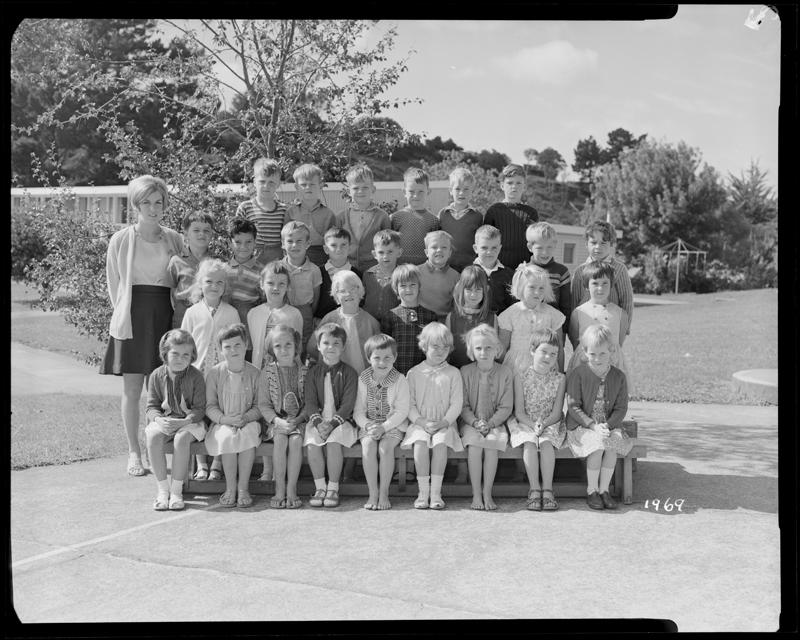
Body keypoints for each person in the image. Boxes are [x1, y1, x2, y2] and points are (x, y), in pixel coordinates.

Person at [101, 174, 184, 477]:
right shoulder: (121, 239)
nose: (153, 208)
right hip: (133, 317)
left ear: (165, 205)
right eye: (146, 203)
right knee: (133, 388)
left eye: (158, 202)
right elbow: (114, 285)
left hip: (165, 314)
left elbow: (182, 280)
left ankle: (157, 450)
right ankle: (134, 453)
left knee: (162, 388)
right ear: (136, 205)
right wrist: (124, 314)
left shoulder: (174, 238)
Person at [180, 258, 240, 481]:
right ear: (200, 284)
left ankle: (217, 463)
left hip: (223, 375)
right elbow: (184, 343)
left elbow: (237, 342)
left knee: (219, 417)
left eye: (219, 282)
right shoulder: (192, 312)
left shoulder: (231, 312)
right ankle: (201, 464)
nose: (214, 286)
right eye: (209, 281)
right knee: (198, 418)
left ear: (225, 286)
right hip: (197, 374)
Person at [565, 324, 632, 510]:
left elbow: (621, 408)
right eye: (592, 354)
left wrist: (608, 426)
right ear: (585, 352)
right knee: (597, 446)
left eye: (602, 354)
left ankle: (604, 490)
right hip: (582, 427)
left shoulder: (619, 377)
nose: (597, 358)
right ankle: (591, 490)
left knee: (610, 446)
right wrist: (593, 425)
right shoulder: (578, 374)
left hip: (609, 426)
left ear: (611, 351)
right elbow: (573, 406)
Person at [401, 322, 464, 510]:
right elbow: (408, 404)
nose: (440, 351)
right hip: (419, 423)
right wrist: (421, 421)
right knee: (420, 442)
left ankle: (436, 492)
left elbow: (456, 403)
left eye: (445, 347)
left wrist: (444, 422)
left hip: (445, 423)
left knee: (440, 443)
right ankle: (423, 492)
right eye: (435, 346)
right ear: (424, 346)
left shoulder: (453, 373)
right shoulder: (413, 373)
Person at [144, 329, 206, 510]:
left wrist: (185, 421)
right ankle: (163, 491)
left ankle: (177, 491)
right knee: (153, 437)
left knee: (181, 438)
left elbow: (200, 408)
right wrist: (158, 419)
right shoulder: (156, 375)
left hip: (191, 422)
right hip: (166, 420)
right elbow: (151, 406)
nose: (180, 358)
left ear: (192, 355)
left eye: (186, 355)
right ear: (165, 353)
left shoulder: (196, 376)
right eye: (175, 354)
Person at [204, 324, 262, 508]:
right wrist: (224, 420)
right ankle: (230, 487)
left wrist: (245, 419)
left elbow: (260, 406)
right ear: (220, 350)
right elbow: (210, 406)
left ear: (246, 345)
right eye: (227, 347)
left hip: (248, 421)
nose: (233, 350)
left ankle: (243, 488)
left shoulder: (255, 373)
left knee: (247, 437)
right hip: (223, 421)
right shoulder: (215, 373)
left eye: (237, 345)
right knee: (226, 437)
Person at [508, 328, 566, 512]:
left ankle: (547, 490)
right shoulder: (521, 377)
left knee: (547, 443)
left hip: (551, 422)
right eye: (544, 352)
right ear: (533, 350)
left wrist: (545, 424)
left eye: (553, 354)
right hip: (526, 422)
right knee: (530, 443)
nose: (548, 357)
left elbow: (557, 412)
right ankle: (534, 490)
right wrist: (534, 425)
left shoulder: (560, 378)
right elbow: (519, 411)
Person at [458, 324, 513, 511]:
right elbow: (463, 405)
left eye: (488, 347)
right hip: (470, 423)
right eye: (478, 348)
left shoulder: (505, 372)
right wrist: (474, 422)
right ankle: (476, 493)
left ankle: (487, 492)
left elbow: (506, 406)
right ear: (471, 351)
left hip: (495, 423)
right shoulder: (465, 372)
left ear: (496, 349)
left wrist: (490, 423)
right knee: (474, 445)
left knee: (491, 446)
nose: (483, 352)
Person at [304, 323, 359, 508]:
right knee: (312, 443)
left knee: (334, 442)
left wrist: (332, 424)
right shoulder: (312, 373)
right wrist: (319, 423)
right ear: (318, 346)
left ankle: (333, 488)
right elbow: (310, 403)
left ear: (343, 347)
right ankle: (320, 487)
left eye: (336, 343)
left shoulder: (350, 373)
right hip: (318, 421)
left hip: (343, 422)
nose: (331, 347)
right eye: (326, 343)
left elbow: (348, 404)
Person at [353, 334, 410, 510]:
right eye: (376, 358)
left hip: (392, 425)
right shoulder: (363, 379)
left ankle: (384, 492)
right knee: (368, 446)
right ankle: (373, 493)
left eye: (387, 357)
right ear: (369, 358)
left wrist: (384, 427)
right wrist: (369, 425)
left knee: (385, 448)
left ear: (395, 357)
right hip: (369, 424)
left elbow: (402, 411)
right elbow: (358, 411)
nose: (382, 362)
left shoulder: (400, 379)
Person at [257, 324, 309, 509]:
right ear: (272, 349)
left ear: (296, 346)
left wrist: (298, 420)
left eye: (288, 345)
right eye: (278, 346)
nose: (284, 349)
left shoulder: (305, 372)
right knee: (280, 439)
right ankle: (279, 489)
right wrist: (277, 421)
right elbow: (263, 404)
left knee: (295, 442)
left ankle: (291, 489)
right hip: (276, 422)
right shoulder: (267, 372)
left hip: (299, 421)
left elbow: (310, 404)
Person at [567, 260, 633, 392]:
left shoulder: (620, 314)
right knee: (584, 395)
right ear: (586, 286)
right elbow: (575, 340)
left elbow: (618, 342)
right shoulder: (579, 312)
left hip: (611, 363)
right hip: (585, 362)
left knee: (608, 396)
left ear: (611, 284)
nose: (600, 288)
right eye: (595, 283)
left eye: (605, 283)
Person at [569, 220, 634, 338]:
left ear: (612, 244)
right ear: (586, 244)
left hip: (610, 326)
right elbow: (574, 301)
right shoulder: (580, 271)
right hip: (585, 326)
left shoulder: (619, 269)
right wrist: (573, 331)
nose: (598, 247)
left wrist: (625, 328)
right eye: (593, 242)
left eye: (603, 243)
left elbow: (627, 300)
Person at [498, 265, 566, 375]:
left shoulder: (553, 315)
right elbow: (502, 347)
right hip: (516, 368)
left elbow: (559, 347)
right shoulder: (510, 314)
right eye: (532, 287)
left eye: (541, 288)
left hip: (545, 367)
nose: (537, 292)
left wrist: (561, 373)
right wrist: (501, 373)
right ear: (521, 287)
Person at [308, 270, 380, 372]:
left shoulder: (371, 322)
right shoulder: (329, 319)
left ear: (360, 291)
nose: (348, 294)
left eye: (353, 289)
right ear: (336, 295)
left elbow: (378, 351)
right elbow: (312, 347)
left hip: (363, 378)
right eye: (342, 291)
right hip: (335, 377)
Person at [380, 264, 438, 375]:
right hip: (397, 374)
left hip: (423, 374)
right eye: (403, 285)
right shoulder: (390, 316)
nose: (408, 289)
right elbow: (384, 349)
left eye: (412, 285)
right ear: (396, 288)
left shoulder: (430, 317)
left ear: (419, 286)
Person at [523, 222, 571, 352]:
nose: (545, 252)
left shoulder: (562, 272)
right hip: (527, 327)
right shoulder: (524, 270)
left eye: (549, 247)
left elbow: (566, 305)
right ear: (530, 247)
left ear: (555, 245)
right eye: (540, 248)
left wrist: (564, 330)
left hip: (552, 327)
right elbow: (517, 301)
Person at [247, 261, 303, 371]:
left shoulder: (294, 314)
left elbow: (298, 347)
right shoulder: (253, 313)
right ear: (262, 284)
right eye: (270, 283)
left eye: (281, 284)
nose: (276, 288)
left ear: (288, 286)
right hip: (259, 371)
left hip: (286, 372)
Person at [335, 163, 390, 272]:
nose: (360, 191)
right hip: (346, 267)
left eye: (365, 187)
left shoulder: (382, 216)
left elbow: (388, 245)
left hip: (374, 269)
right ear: (349, 191)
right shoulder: (341, 217)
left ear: (373, 189)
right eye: (356, 188)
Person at [279, 220, 322, 357]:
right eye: (290, 241)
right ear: (283, 244)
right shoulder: (278, 268)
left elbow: (316, 297)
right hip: (283, 310)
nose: (294, 245)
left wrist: (309, 312)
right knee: (283, 341)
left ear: (308, 244)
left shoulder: (314, 270)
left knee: (303, 343)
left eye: (299, 241)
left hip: (305, 312)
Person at [224, 218, 264, 362]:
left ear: (254, 242)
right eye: (238, 242)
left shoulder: (262, 271)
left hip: (249, 324)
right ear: (230, 243)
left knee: (247, 360)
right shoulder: (223, 269)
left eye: (248, 242)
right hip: (227, 323)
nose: (243, 246)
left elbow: (264, 301)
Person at [484, 164, 539, 269]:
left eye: (518, 183)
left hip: (523, 270)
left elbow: (535, 243)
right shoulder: (493, 211)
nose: (514, 186)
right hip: (497, 269)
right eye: (510, 183)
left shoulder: (531, 213)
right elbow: (485, 242)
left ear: (524, 186)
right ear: (502, 185)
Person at [283, 163, 337, 268]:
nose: (308, 187)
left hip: (321, 261)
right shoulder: (290, 213)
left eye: (312, 184)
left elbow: (333, 243)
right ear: (296, 187)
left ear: (320, 186)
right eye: (303, 185)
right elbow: (285, 241)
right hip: (295, 261)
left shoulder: (328, 214)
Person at [234, 157, 286, 265]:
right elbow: (237, 236)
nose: (266, 186)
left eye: (271, 182)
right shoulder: (245, 208)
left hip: (276, 259)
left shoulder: (284, 210)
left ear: (278, 184)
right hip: (251, 258)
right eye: (262, 181)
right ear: (254, 182)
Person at [168, 212, 215, 329]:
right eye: (196, 230)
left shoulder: (217, 262)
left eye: (206, 230)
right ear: (186, 234)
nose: (201, 234)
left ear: (212, 234)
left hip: (210, 316)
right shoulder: (176, 261)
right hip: (182, 316)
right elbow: (170, 292)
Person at [445, 265, 497, 369]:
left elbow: (494, 350)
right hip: (457, 373)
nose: (473, 295)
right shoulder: (452, 317)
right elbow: (447, 350)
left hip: (483, 374)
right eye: (469, 290)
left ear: (485, 290)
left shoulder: (492, 318)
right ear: (461, 290)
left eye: (478, 290)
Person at [390, 167, 440, 266]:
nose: (416, 196)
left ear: (428, 191)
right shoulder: (395, 218)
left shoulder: (434, 220)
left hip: (424, 268)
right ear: (404, 192)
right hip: (400, 267)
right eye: (411, 191)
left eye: (420, 191)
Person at [437, 167, 483, 272]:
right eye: (457, 189)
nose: (462, 193)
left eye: (466, 189)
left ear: (472, 191)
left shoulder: (477, 216)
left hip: (469, 269)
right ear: (450, 191)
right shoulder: (443, 214)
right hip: (445, 268)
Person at [316, 227, 362, 321]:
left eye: (343, 245)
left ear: (350, 248)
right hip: (322, 321)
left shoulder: (356, 274)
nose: (339, 249)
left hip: (350, 320)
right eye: (333, 245)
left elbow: (360, 300)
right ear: (326, 249)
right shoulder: (318, 272)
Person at [417, 230, 460, 321]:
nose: (439, 250)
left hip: (443, 322)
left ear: (449, 253)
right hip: (419, 320)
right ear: (426, 252)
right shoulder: (415, 272)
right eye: (434, 247)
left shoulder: (456, 276)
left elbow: (456, 306)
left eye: (444, 247)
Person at [361, 229, 401, 326]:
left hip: (393, 322)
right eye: (381, 252)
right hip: (370, 322)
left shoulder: (402, 275)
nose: (385, 256)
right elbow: (362, 298)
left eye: (390, 252)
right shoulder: (368, 274)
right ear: (374, 254)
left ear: (399, 252)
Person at [472, 224, 515, 315]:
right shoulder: (468, 272)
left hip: (501, 323)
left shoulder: (509, 274)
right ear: (476, 248)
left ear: (499, 248)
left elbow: (513, 303)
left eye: (494, 248)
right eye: (484, 248)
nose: (489, 252)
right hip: (475, 322)